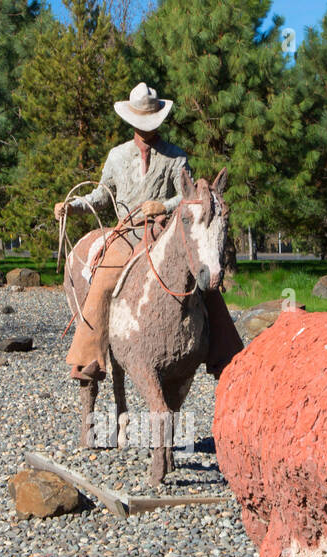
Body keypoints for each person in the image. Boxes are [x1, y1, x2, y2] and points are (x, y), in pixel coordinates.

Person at [56, 82, 241, 382]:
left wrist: (164, 207)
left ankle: (226, 353)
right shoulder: (117, 156)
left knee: (204, 279)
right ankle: (89, 356)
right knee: (103, 281)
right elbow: (102, 195)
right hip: (127, 233)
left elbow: (189, 196)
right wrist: (73, 206)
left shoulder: (175, 157)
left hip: (164, 234)